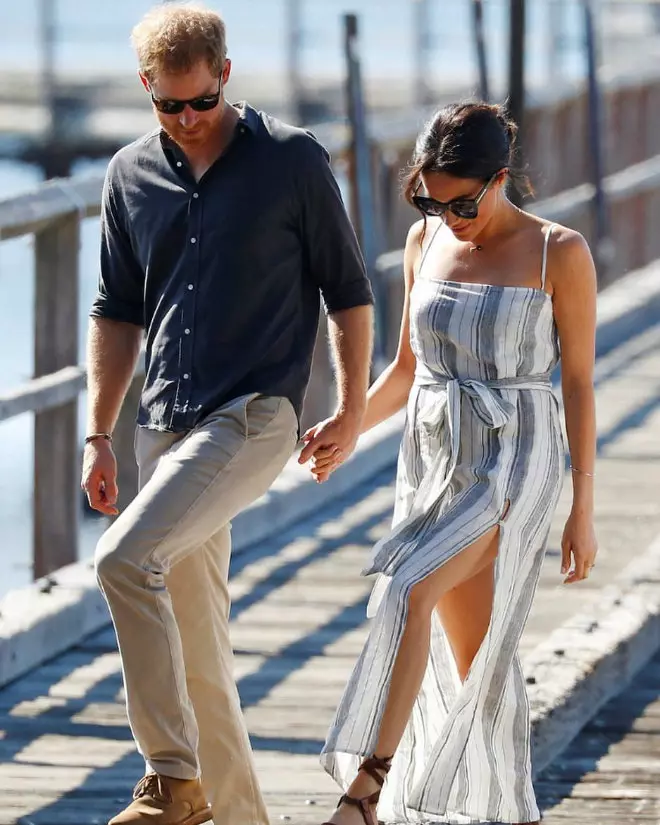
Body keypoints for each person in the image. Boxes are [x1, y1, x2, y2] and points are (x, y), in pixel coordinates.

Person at [80, 4, 374, 825]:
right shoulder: (128, 174)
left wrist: (350, 408)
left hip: (253, 415)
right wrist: (100, 432)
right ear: (147, 89)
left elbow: (348, 292)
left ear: (225, 75)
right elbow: (115, 311)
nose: (186, 121)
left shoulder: (291, 161)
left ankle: (172, 776)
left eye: (199, 102)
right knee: (200, 650)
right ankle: (240, 813)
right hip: (162, 424)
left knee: (121, 560)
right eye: (167, 105)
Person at [307, 102, 598, 825]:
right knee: (480, 662)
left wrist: (582, 509)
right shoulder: (423, 241)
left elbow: (581, 383)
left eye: (461, 201)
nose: (447, 214)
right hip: (437, 461)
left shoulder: (558, 252)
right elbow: (408, 370)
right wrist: (349, 426)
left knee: (408, 587)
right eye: (429, 199)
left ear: (501, 179)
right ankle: (516, 811)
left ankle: (364, 793)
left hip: (515, 461)